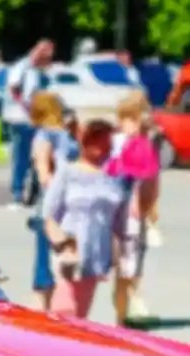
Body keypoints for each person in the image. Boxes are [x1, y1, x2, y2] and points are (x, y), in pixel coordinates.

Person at [40, 119, 129, 318]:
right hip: (69, 253)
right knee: (64, 313)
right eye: (94, 139)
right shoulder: (68, 172)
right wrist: (64, 244)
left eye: (104, 140)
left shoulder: (114, 177)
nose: (99, 145)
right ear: (84, 141)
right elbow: (48, 216)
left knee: (80, 316)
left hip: (96, 255)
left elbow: (119, 222)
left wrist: (121, 254)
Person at [107, 90, 161, 326]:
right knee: (124, 265)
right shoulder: (123, 142)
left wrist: (149, 209)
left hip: (128, 211)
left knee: (125, 267)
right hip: (122, 210)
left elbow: (149, 180)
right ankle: (124, 310)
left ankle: (122, 315)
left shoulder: (141, 144)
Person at [27, 93, 77, 309]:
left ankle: (42, 310)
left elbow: (43, 173)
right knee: (64, 262)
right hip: (71, 204)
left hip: (50, 206)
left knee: (45, 263)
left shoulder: (44, 136)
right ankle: (58, 308)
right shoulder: (68, 136)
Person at [4, 40, 53, 209]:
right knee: (21, 156)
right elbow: (13, 88)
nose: (47, 62)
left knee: (37, 156)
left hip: (34, 119)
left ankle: (33, 193)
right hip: (19, 118)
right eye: (46, 57)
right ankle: (17, 194)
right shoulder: (22, 67)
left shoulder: (37, 71)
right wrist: (26, 106)